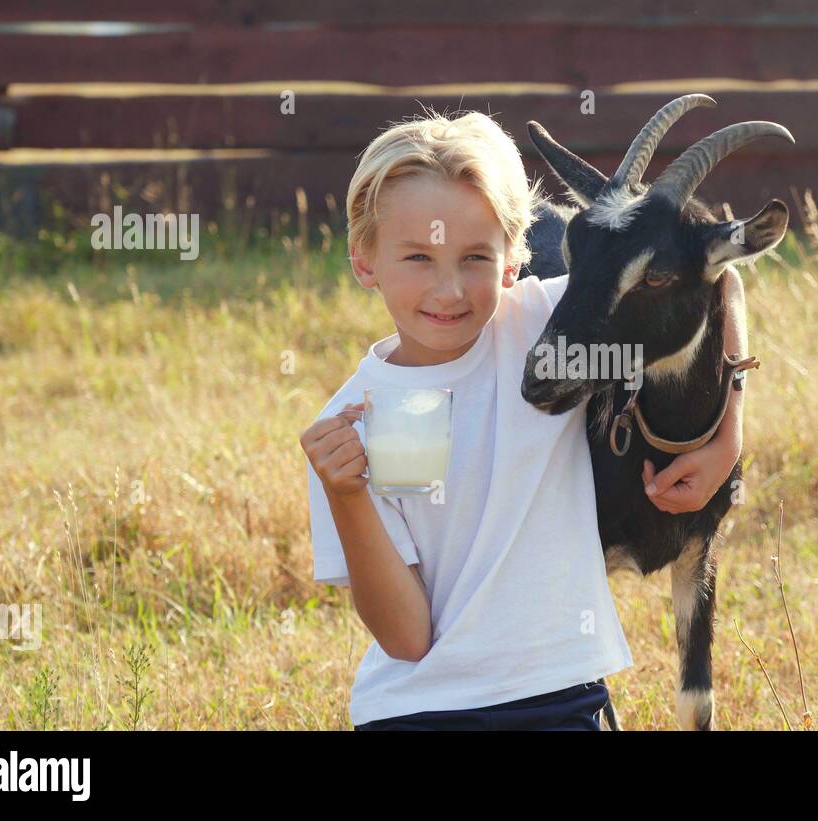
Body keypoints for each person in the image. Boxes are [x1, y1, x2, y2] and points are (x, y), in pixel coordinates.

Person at [300, 109, 747, 730]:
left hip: (561, 700)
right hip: (416, 710)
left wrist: (729, 435)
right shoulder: (354, 427)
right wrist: (347, 495)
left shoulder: (547, 325)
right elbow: (406, 639)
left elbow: (708, 278)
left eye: (475, 258)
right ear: (364, 260)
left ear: (514, 260)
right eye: (418, 258)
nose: (450, 290)